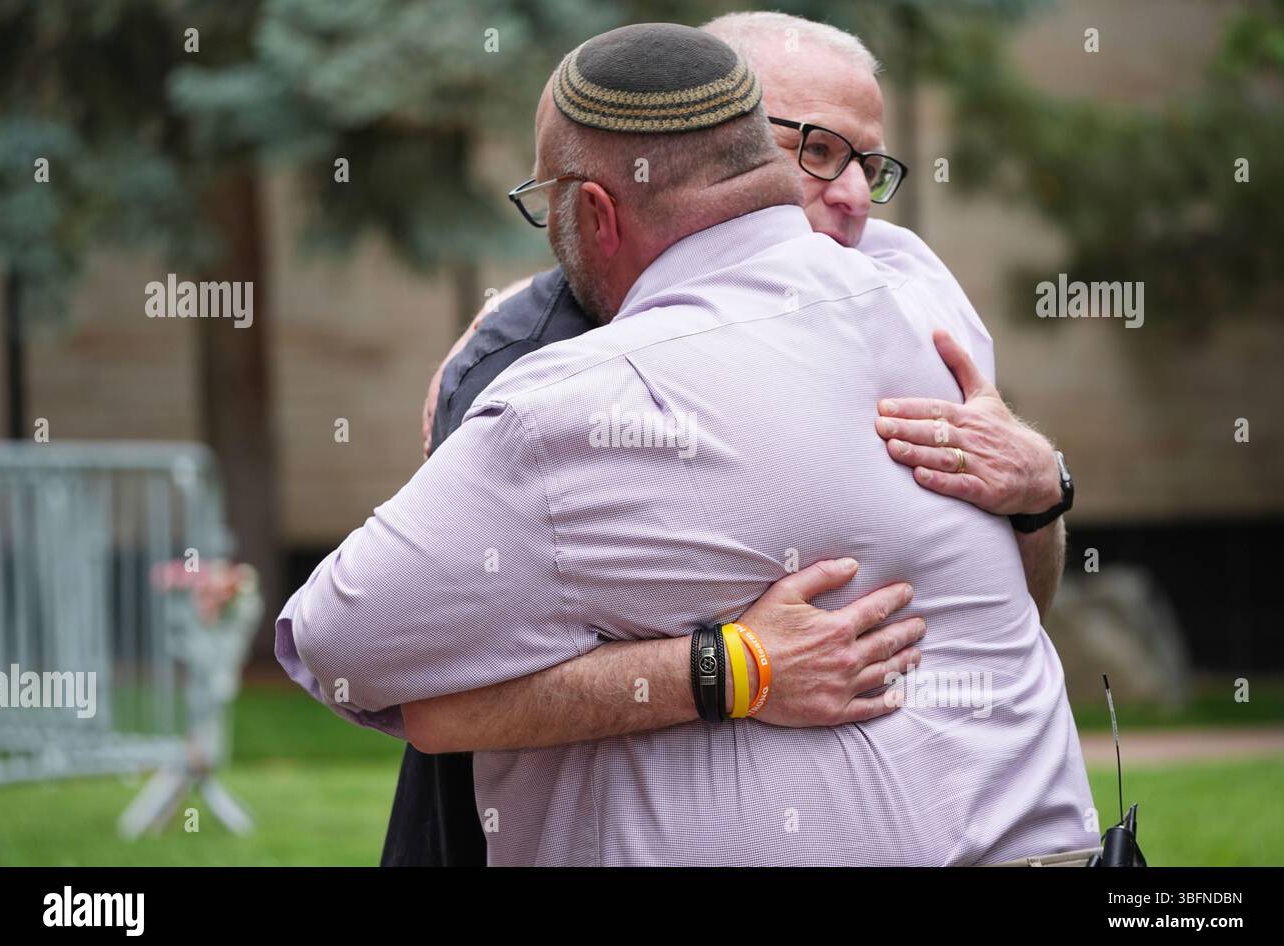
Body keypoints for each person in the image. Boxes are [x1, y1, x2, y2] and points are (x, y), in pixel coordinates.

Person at [279, 22, 1094, 866]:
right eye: (817, 151)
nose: (851, 195)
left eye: (865, 163)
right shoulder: (917, 299)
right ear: (761, 160)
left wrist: (1043, 491)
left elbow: (332, 647)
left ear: (592, 212)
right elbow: (434, 701)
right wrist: (731, 669)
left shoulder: (908, 281)